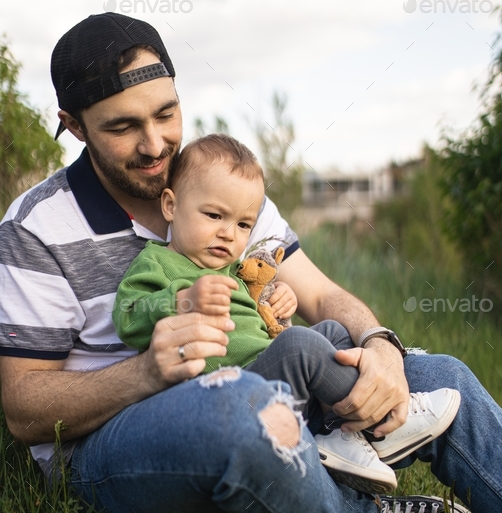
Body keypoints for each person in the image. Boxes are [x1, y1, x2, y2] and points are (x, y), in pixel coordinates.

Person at [0, 13, 502, 513]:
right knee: (238, 408)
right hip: (114, 450)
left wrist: (382, 346)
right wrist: (148, 372)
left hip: (256, 381)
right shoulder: (36, 229)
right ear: (74, 126)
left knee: (440, 377)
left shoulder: (221, 190)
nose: (154, 145)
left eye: (165, 114)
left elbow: (321, 296)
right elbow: (24, 411)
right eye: (124, 127)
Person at [111, 132, 460, 494]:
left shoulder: (236, 270)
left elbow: (262, 316)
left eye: (243, 224)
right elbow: (128, 316)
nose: (228, 234)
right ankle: (382, 425)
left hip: (275, 374)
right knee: (299, 346)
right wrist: (183, 299)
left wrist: (280, 299)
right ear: (171, 205)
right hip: (234, 388)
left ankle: (335, 437)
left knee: (330, 332)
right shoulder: (157, 262)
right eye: (214, 215)